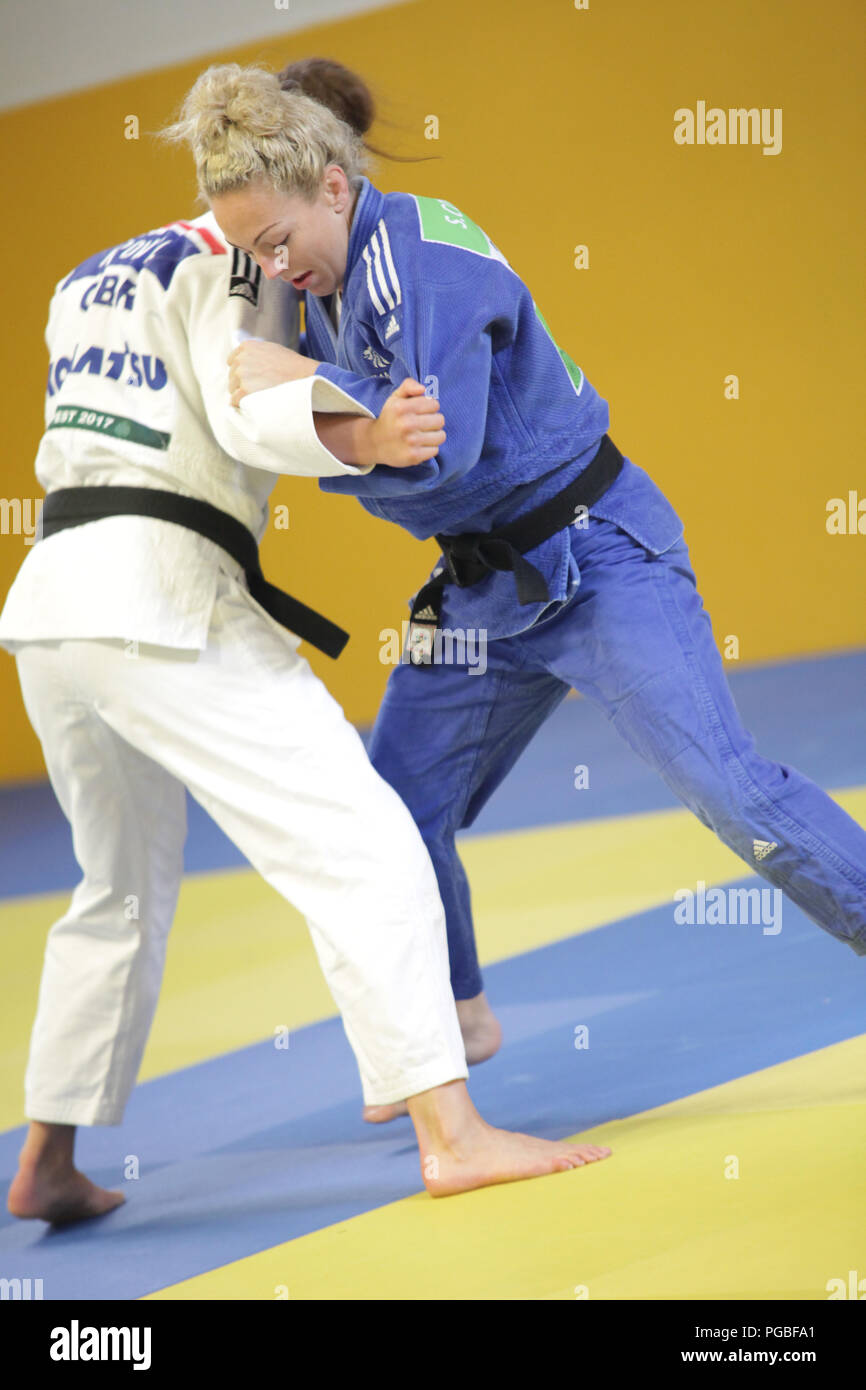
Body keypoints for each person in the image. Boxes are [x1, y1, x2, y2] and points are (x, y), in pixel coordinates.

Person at [170, 59, 866, 1123]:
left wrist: (319, 399)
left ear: (333, 187)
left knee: (733, 791)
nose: (271, 267)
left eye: (276, 243)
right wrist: (298, 359)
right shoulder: (301, 277)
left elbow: (437, 461)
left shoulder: (422, 253)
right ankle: (456, 1009)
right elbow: (302, 385)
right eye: (251, 251)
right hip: (481, 593)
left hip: (596, 556)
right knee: (390, 817)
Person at [0, 121, 612, 1223]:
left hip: (51, 608)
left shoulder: (85, 275)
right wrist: (364, 434)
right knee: (365, 840)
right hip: (161, 596)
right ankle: (451, 1132)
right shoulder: (241, 263)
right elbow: (251, 393)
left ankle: (47, 1155)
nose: (282, 256)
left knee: (116, 892)